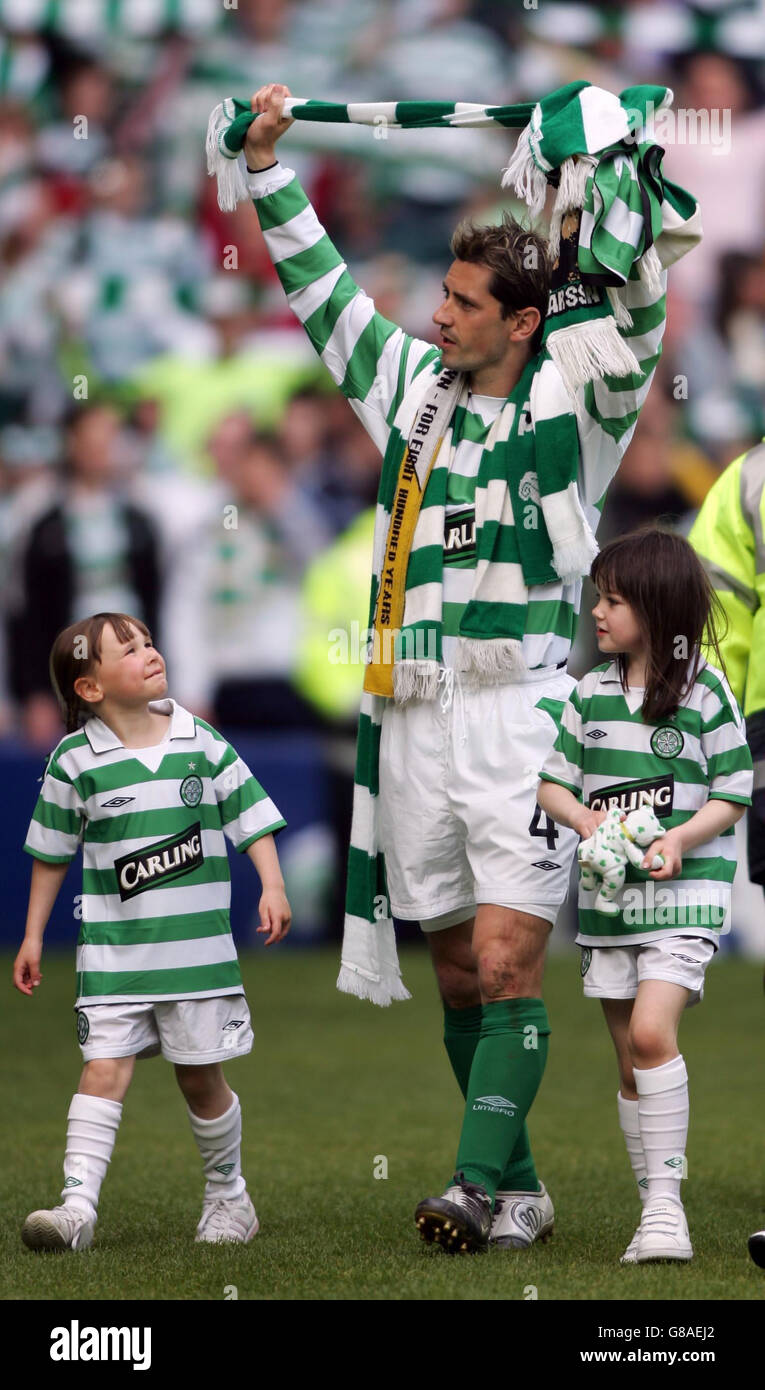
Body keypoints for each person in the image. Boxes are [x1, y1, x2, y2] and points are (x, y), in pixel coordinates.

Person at [241, 83, 684, 1254]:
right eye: (441, 295)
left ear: (524, 321)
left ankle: (472, 1189)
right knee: (455, 978)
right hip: (418, 715)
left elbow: (633, 318)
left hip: (526, 716)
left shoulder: (577, 400)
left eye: (462, 301)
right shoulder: (409, 393)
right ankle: (521, 1188)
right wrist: (267, 165)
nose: (438, 316)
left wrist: (608, 181)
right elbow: (322, 293)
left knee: (506, 962)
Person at [14, 611, 291, 1250]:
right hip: (113, 958)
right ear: (90, 689)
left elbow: (249, 814)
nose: (150, 653)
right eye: (128, 650)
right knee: (102, 1070)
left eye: (147, 641)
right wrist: (33, 936)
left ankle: (230, 1200)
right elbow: (51, 854)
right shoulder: (71, 761)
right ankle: (75, 1209)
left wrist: (272, 885)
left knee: (200, 1078)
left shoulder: (201, 738)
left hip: (197, 959)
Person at [537, 529, 752, 1263]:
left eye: (613, 600)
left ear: (658, 609)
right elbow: (551, 785)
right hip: (608, 905)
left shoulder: (705, 691)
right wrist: (586, 819)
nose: (596, 612)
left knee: (654, 1037)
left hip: (684, 899)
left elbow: (731, 790)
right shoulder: (587, 692)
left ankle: (665, 1212)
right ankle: (651, 1214)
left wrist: (676, 841)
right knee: (630, 1063)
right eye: (598, 596)